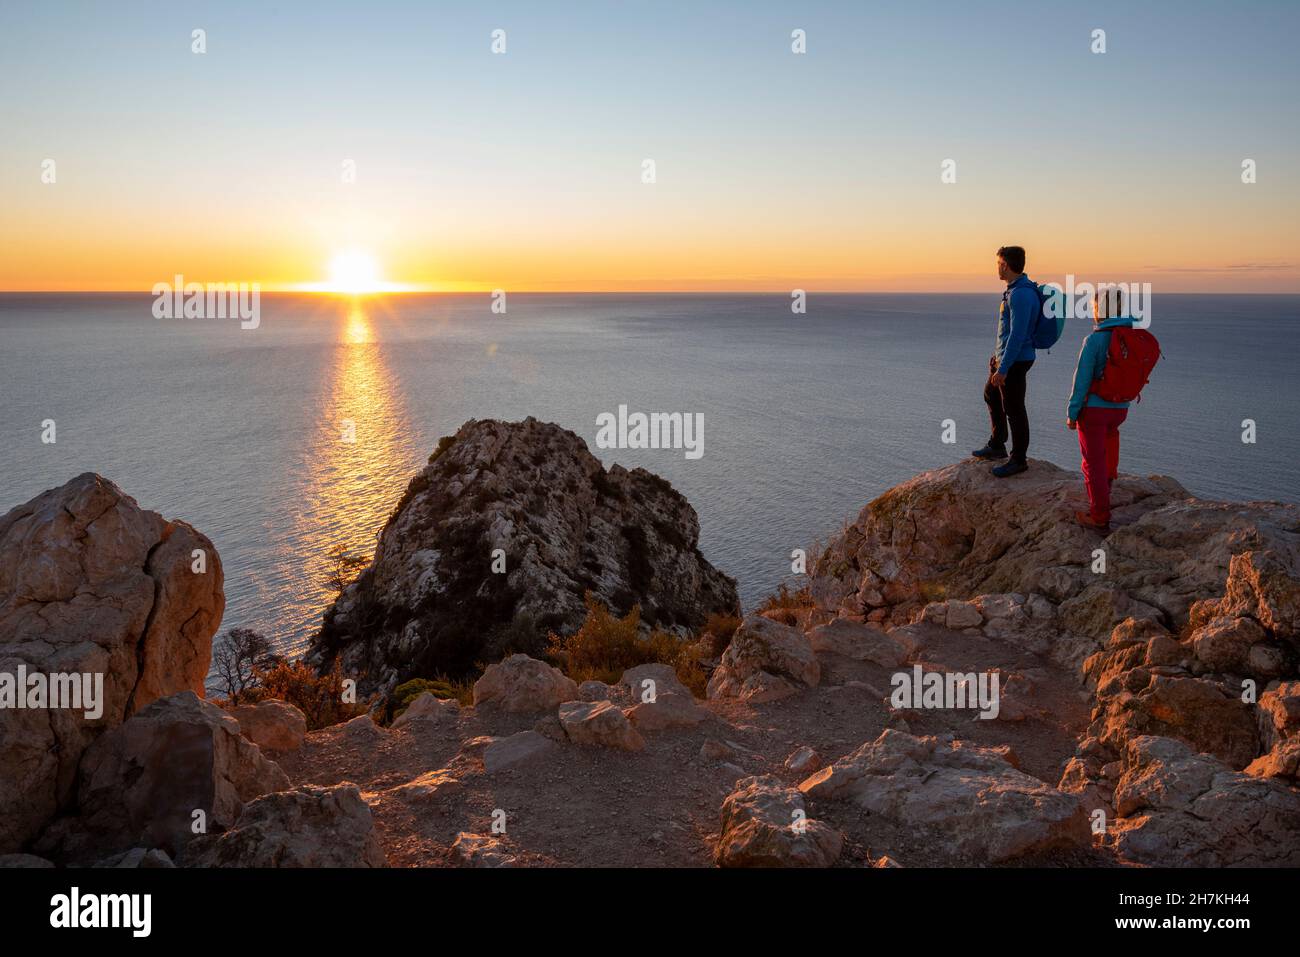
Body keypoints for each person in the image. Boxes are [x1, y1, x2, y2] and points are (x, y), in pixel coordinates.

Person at [1066, 286, 1133, 532]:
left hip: (1094, 410)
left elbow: (1082, 380)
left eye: (1094, 306)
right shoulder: (1128, 337)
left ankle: (1099, 515)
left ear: (1099, 309)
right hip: (1120, 408)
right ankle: (1108, 486)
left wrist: (1073, 414)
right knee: (1110, 445)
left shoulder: (1094, 340)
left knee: (1092, 462)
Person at [972, 245, 1037, 477]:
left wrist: (1004, 367)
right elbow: (1008, 332)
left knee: (1014, 409)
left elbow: (1018, 335)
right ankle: (997, 445)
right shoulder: (1016, 289)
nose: (997, 268)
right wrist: (998, 357)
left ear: (1005, 265)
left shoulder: (1021, 294)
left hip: (1016, 360)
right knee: (991, 393)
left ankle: (1018, 459)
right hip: (1006, 357)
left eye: (998, 263)